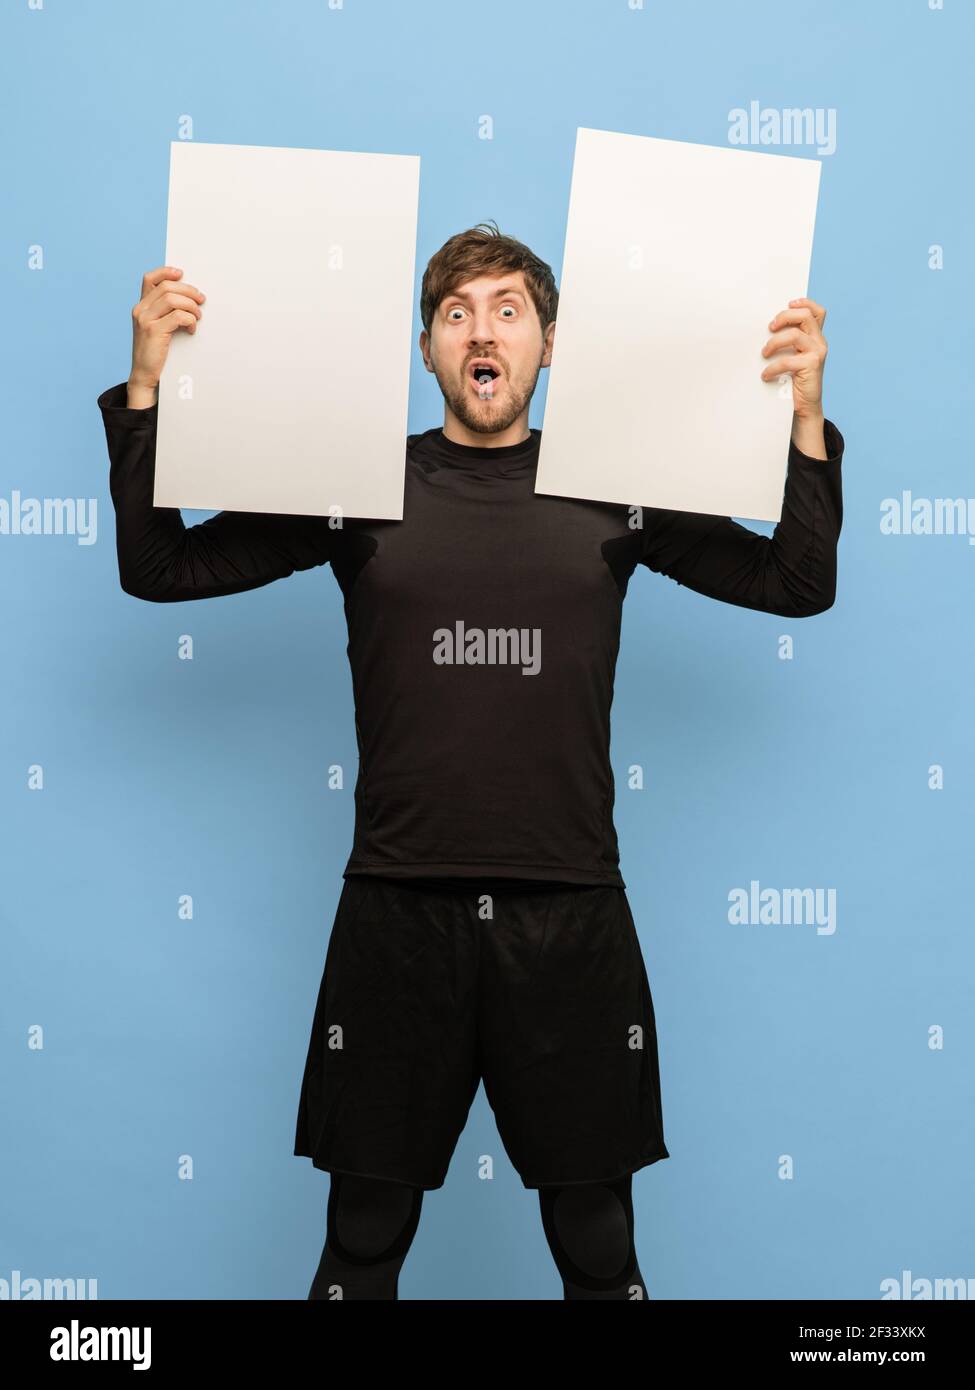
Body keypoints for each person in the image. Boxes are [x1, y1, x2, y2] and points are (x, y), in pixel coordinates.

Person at [98, 221, 844, 1300]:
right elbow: (161, 567)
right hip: (397, 917)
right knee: (362, 1239)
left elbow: (796, 582)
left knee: (599, 1248)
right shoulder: (355, 485)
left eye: (507, 309)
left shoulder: (617, 486)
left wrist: (805, 417)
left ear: (550, 346)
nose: (480, 330)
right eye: (455, 313)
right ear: (424, 347)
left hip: (572, 917)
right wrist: (147, 390)